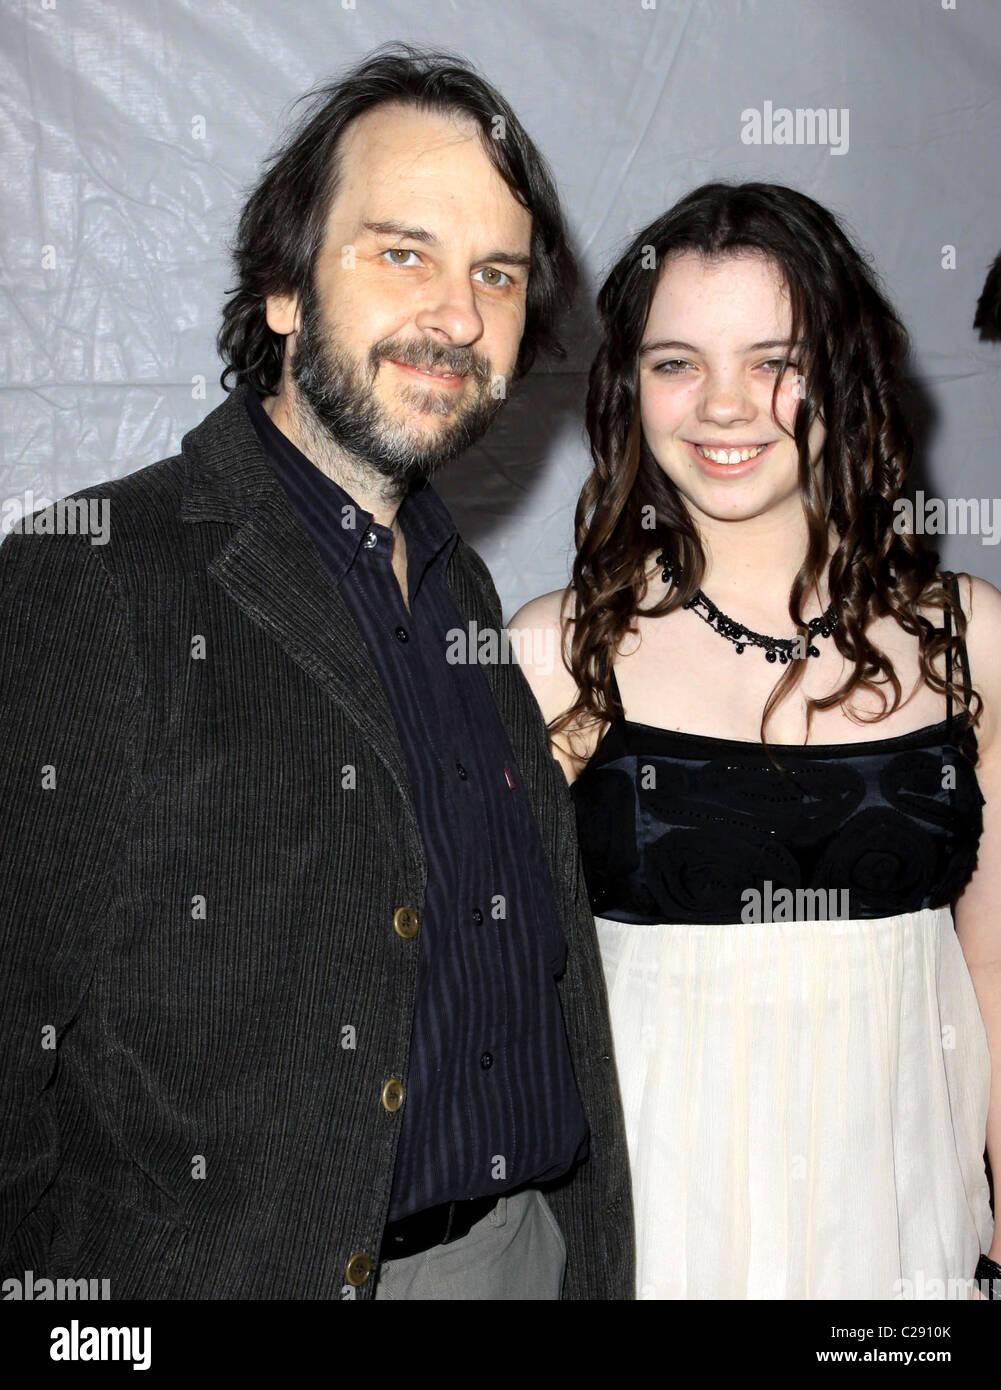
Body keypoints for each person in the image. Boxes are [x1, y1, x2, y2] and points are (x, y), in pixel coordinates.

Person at [0, 43, 634, 1301]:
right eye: (403, 252)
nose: (456, 315)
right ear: (285, 287)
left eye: (494, 274)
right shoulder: (94, 581)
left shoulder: (455, 586)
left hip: (523, 1260)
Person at [511, 181, 1001, 1299]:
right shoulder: (553, 653)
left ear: (843, 374)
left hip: (903, 1228)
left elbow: (992, 961)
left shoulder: (965, 638)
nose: (721, 405)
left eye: (772, 360)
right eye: (674, 361)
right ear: (628, 385)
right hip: (652, 1238)